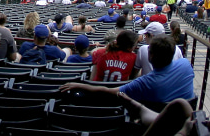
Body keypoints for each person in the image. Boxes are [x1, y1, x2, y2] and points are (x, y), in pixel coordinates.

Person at [63, 35, 195, 107]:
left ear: (151, 56)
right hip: (181, 123)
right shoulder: (186, 65)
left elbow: (108, 91)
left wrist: (80, 84)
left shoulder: (145, 82)